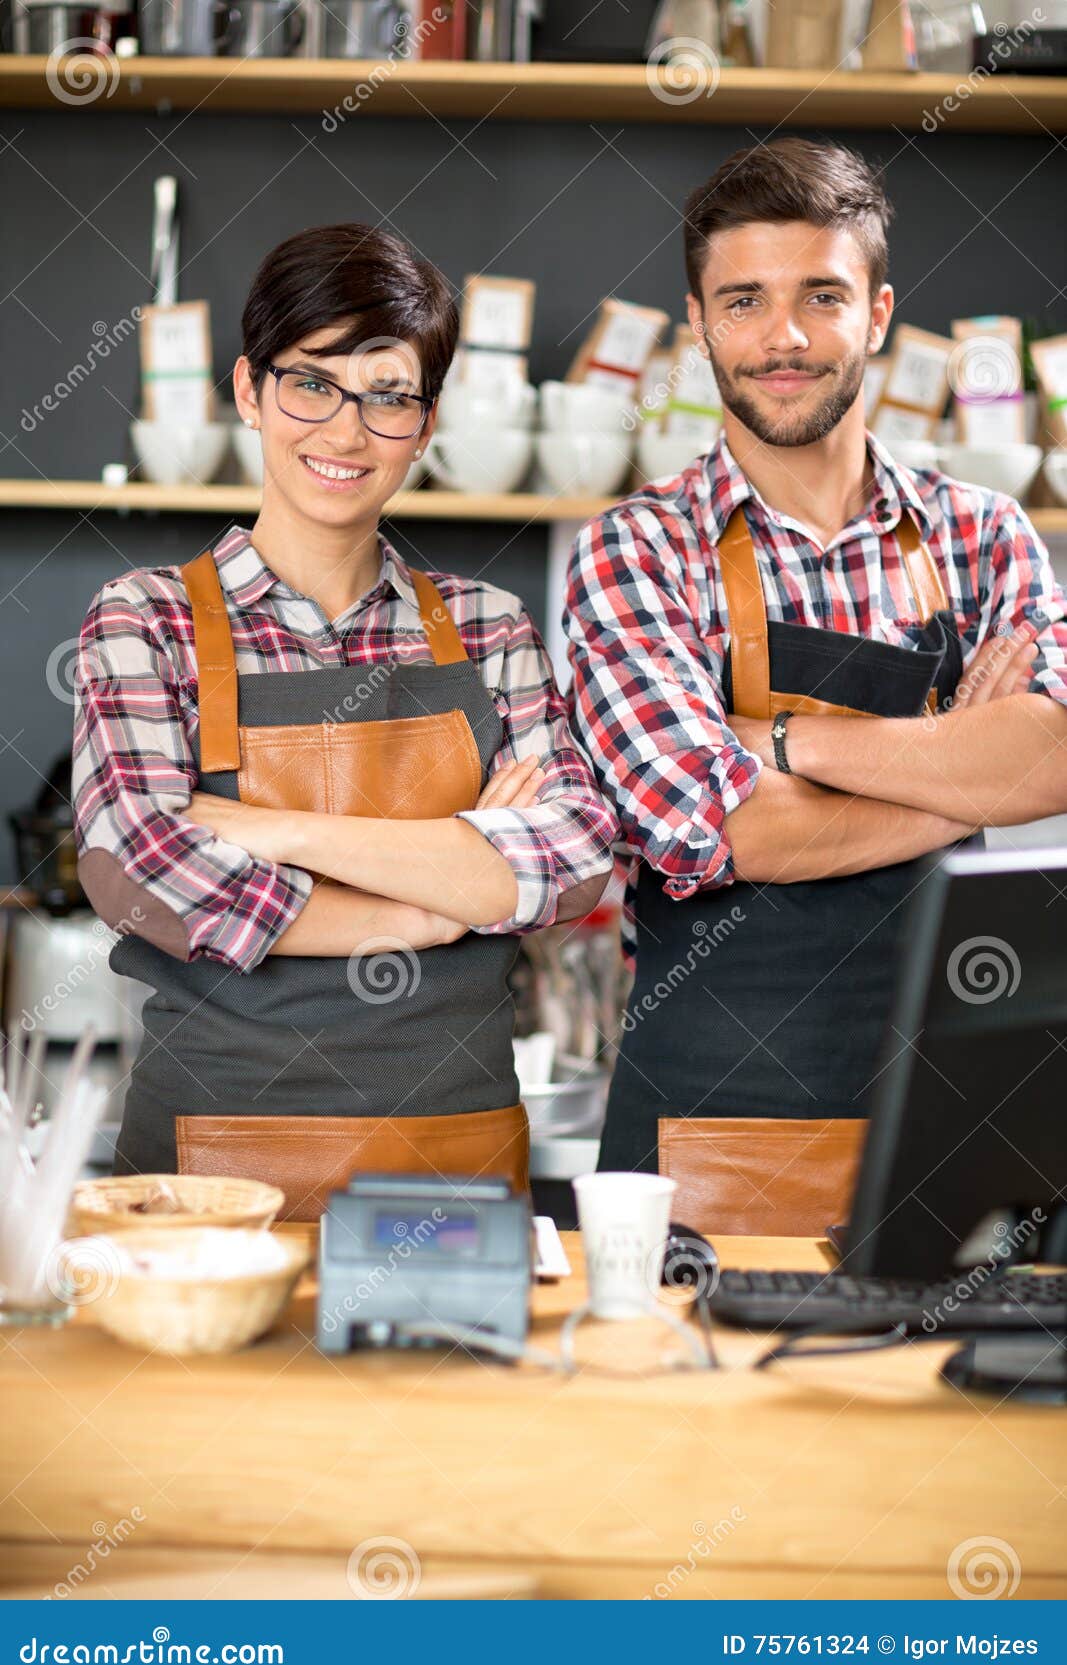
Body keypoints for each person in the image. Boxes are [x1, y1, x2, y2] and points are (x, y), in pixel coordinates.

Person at [73, 221, 616, 1214]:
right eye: (311, 383)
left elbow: (570, 860)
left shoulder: (489, 630)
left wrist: (277, 832)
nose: (345, 430)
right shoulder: (145, 619)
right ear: (249, 390)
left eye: (388, 397)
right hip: (207, 1163)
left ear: (426, 421)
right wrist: (431, 899)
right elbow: (139, 872)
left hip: (452, 1160)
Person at [565, 137, 1067, 1177]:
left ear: (876, 314)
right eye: (742, 301)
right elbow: (717, 823)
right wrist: (965, 770)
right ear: (696, 324)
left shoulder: (982, 534)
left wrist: (783, 741)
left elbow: (1050, 763)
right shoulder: (636, 549)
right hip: (707, 1130)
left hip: (952, 1115)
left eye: (821, 296)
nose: (781, 337)